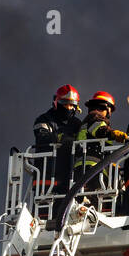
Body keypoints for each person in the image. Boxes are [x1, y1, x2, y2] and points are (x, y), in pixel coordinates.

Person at [71, 92, 129, 209]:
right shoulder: (95, 117)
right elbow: (99, 130)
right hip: (93, 168)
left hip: (86, 167)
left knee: (95, 200)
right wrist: (113, 134)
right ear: (107, 108)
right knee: (103, 201)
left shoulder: (88, 120)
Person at [31, 85, 83, 221]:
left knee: (67, 213)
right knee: (43, 216)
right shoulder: (44, 119)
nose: (69, 108)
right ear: (57, 103)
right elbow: (43, 137)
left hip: (69, 174)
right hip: (48, 173)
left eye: (72, 105)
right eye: (65, 104)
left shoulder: (77, 124)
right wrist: (63, 140)